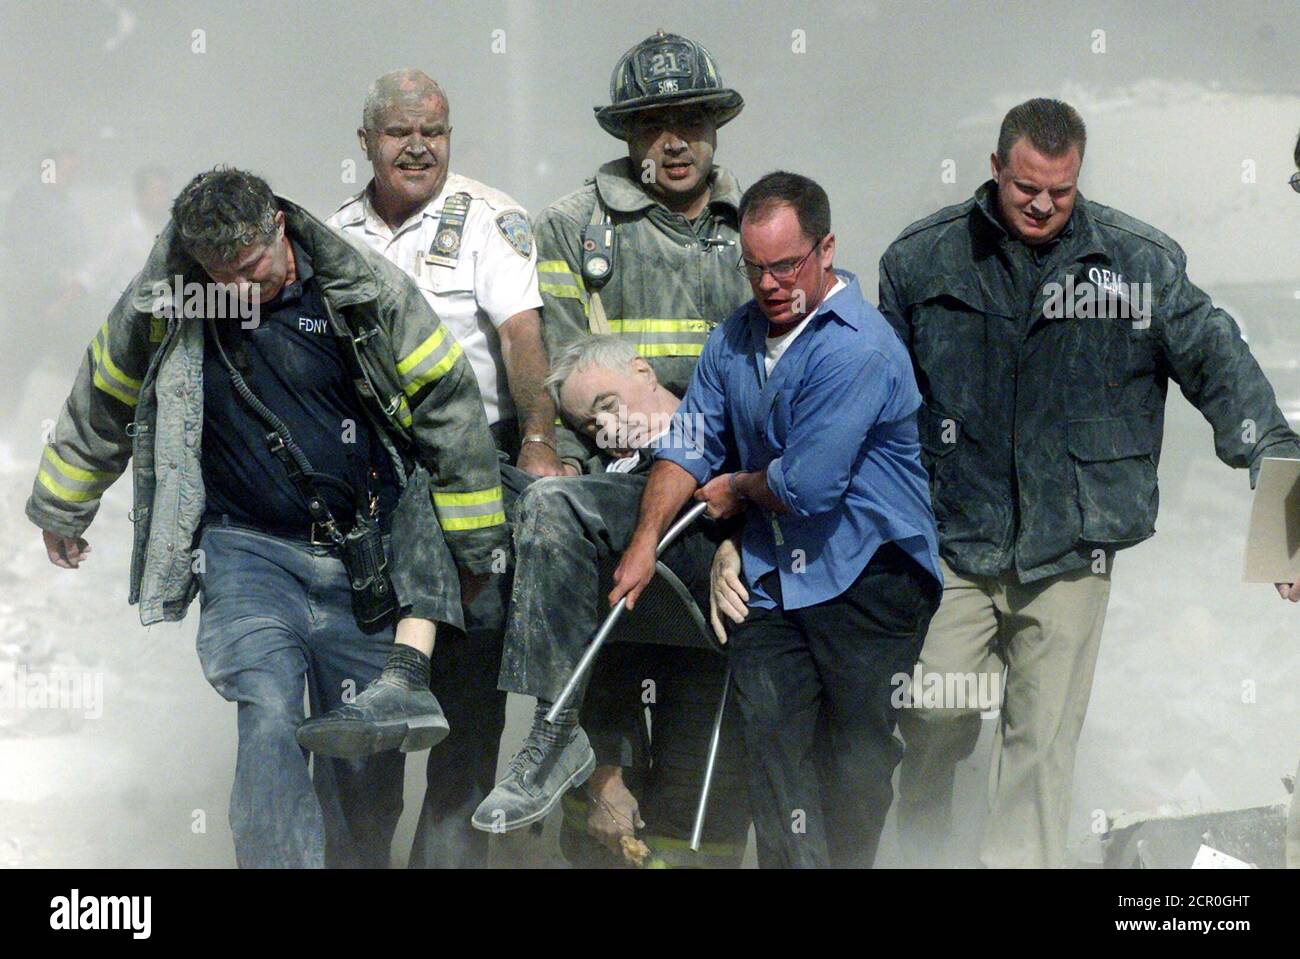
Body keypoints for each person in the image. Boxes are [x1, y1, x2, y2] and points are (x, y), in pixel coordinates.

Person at [28, 166, 507, 867]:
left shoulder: (360, 290)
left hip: (360, 562)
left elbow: (447, 400)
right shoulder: (172, 297)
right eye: (218, 275)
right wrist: (65, 500)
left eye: (251, 269)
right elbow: (106, 387)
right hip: (245, 553)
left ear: (278, 227)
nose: (236, 291)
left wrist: (472, 540)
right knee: (269, 711)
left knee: (362, 763)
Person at [880, 98, 1300, 868]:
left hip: (1074, 547)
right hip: (954, 541)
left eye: (1062, 191)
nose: (1043, 205)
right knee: (935, 710)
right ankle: (923, 834)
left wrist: (1285, 504)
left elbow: (1225, 372)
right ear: (996, 170)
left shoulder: (1136, 262)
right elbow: (880, 408)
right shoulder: (922, 262)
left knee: (1041, 747)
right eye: (1027, 187)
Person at [475, 31, 755, 866]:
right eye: (653, 122)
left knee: (706, 775)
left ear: (716, 126)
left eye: (692, 119)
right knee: (603, 796)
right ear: (626, 136)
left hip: (723, 511)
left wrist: (745, 513)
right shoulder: (569, 228)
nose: (675, 140)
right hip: (607, 517)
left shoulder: (758, 224)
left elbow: (783, 384)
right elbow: (559, 383)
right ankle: (561, 741)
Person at [613, 171, 943, 868]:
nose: (768, 283)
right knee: (774, 754)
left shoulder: (859, 346)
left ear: (826, 250)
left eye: (785, 265)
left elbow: (810, 485)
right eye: (754, 267)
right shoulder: (733, 339)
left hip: (870, 578)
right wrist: (643, 545)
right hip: (772, 580)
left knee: (854, 765)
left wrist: (733, 486)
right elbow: (688, 443)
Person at [298, 67, 558, 868]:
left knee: (465, 716)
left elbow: (521, 339)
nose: (419, 146)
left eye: (435, 131)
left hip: (469, 483)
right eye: (399, 131)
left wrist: (540, 443)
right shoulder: (329, 233)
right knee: (360, 706)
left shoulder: (492, 219)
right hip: (365, 492)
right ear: (366, 141)